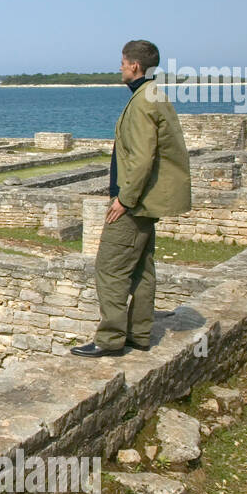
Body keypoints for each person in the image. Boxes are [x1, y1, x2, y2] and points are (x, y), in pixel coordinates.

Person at [71, 40, 191, 357]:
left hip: (135, 204)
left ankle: (110, 339)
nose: (120, 67)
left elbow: (141, 159)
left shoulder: (142, 102)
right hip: (148, 203)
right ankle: (138, 334)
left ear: (134, 66)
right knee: (141, 270)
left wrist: (125, 199)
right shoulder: (154, 95)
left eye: (123, 62)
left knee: (110, 269)